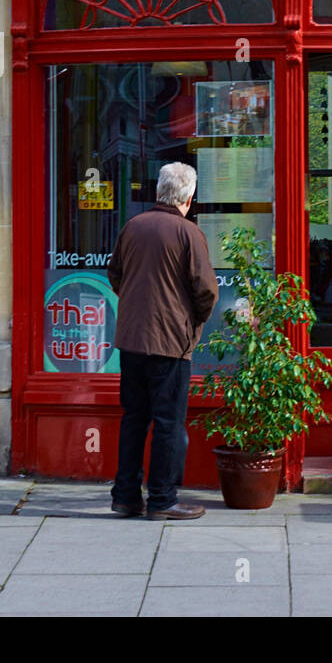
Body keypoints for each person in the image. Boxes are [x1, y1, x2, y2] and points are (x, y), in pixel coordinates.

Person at [107, 161, 218, 520]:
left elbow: (116, 275)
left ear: (160, 192)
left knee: (134, 418)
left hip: (132, 341)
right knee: (168, 422)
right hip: (170, 343)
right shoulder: (189, 233)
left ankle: (125, 496)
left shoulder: (132, 226)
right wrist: (192, 325)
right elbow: (206, 292)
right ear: (187, 197)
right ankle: (162, 499)